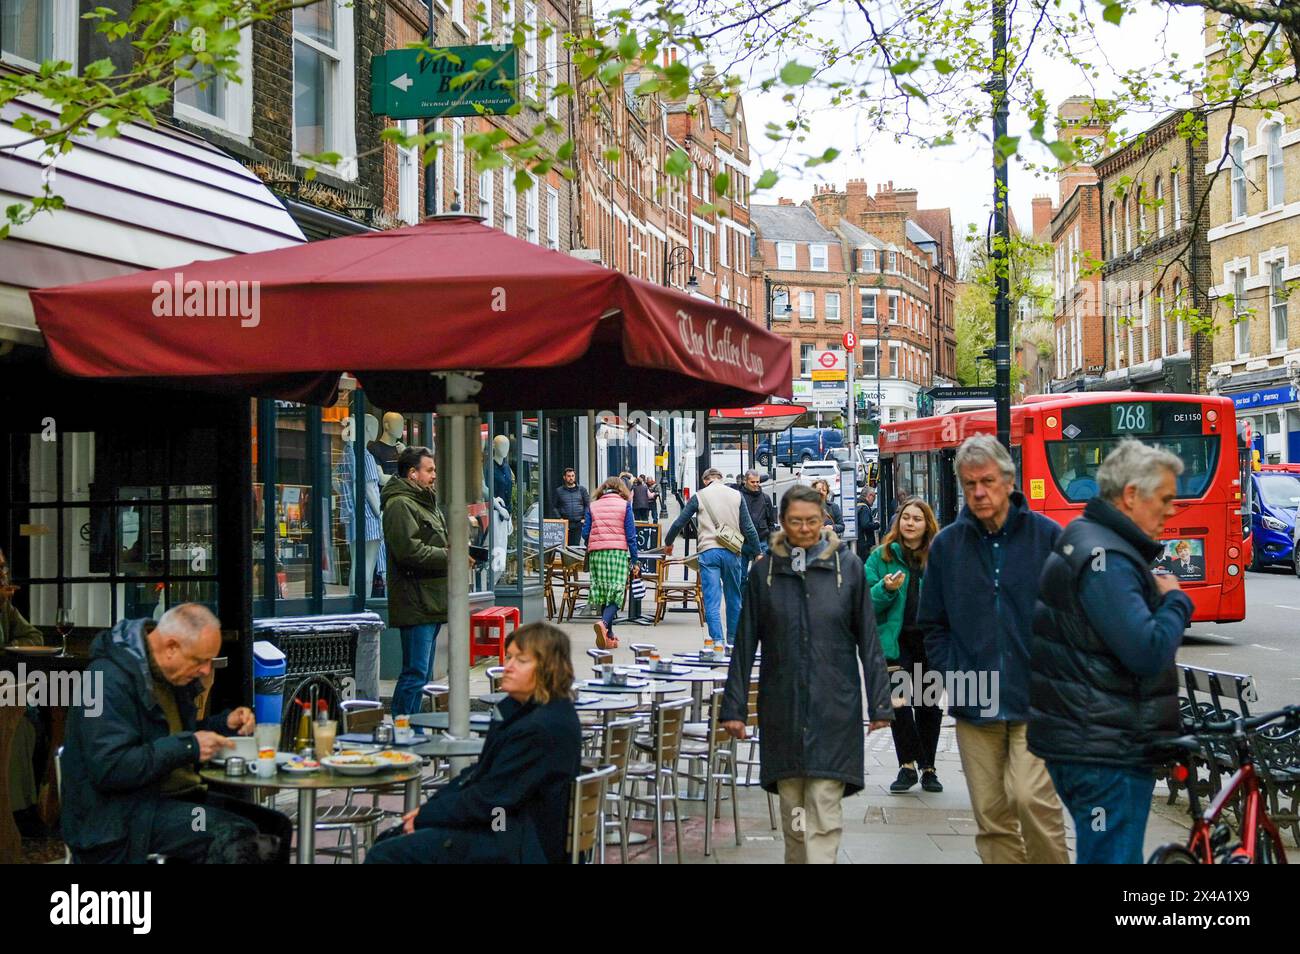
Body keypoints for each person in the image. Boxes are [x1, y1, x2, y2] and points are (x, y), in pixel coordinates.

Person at [1030, 441, 1194, 864]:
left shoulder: (1085, 536)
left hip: (1088, 741)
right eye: (1165, 499)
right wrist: (1176, 601)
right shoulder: (1108, 560)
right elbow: (1146, 650)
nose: (1172, 510)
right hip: (1106, 751)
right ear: (1131, 496)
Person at [721, 485, 893, 863]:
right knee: (796, 823)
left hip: (834, 713)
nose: (804, 528)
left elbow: (869, 638)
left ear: (824, 521)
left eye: (812, 521)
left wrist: (880, 703)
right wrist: (733, 708)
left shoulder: (847, 568)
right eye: (796, 521)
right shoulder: (764, 572)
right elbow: (745, 643)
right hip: (783, 713)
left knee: (822, 816)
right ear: (782, 521)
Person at [918, 434, 1069, 865]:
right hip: (974, 697)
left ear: (1008, 480)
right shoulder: (947, 546)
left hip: (1037, 698)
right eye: (969, 485)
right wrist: (953, 674)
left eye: (986, 481)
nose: (979, 493)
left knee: (1031, 801)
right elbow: (933, 624)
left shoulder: (1047, 538)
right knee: (991, 816)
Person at [60, 604, 292, 863]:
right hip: (120, 819)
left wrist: (224, 725)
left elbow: (177, 738)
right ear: (171, 647)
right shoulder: (103, 680)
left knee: (274, 825)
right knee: (238, 836)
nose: (206, 670)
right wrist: (190, 746)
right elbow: (111, 768)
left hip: (169, 801)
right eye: (200, 660)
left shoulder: (168, 677)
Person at [366, 623, 582, 864]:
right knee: (394, 840)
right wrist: (429, 811)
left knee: (385, 853)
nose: (508, 667)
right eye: (508, 657)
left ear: (547, 669)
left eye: (521, 661)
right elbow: (482, 777)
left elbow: (492, 797)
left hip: (516, 840)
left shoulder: (539, 726)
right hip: (507, 825)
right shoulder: (527, 712)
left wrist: (427, 816)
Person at [865, 497, 945, 794]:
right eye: (906, 517)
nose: (910, 523)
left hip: (929, 643)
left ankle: (929, 769)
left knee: (928, 705)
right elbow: (866, 602)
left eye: (917, 518)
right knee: (899, 705)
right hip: (895, 644)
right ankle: (908, 766)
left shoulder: (938, 557)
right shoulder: (880, 557)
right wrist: (885, 588)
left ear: (927, 525)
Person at [659, 467, 760, 649]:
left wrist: (668, 543)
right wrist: (758, 551)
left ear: (705, 480)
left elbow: (679, 522)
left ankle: (718, 641)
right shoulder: (737, 496)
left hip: (709, 551)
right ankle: (732, 641)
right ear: (720, 478)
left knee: (712, 599)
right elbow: (749, 528)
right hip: (732, 552)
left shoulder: (700, 496)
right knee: (733, 598)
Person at [382, 446, 448, 719]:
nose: (434, 475)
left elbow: (432, 542)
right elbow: (409, 551)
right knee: (415, 673)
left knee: (421, 674)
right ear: (412, 473)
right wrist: (450, 556)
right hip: (415, 600)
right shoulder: (399, 504)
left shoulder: (424, 502)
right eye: (429, 470)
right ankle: (402, 731)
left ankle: (415, 729)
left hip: (431, 600)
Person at [1, 548, 44, 836]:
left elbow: (34, 636)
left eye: (3, 568)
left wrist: (10, 647)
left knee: (29, 726)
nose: (2, 575)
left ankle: (28, 807)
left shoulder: (4, 606)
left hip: (5, 689)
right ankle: (19, 813)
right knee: (14, 732)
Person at [582, 477, 638, 649]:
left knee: (605, 591)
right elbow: (631, 535)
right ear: (621, 489)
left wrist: (594, 543)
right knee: (617, 592)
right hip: (617, 553)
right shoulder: (625, 505)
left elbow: (585, 533)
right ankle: (604, 624)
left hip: (597, 554)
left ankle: (609, 635)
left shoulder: (593, 505)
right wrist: (635, 560)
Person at [735, 469, 777, 552]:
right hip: (743, 542)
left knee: (762, 565)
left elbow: (771, 522)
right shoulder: (738, 496)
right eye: (752, 482)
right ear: (745, 481)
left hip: (762, 541)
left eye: (757, 482)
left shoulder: (765, 498)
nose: (756, 484)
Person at [551, 467, 590, 547]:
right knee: (564, 546)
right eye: (568, 476)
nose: (571, 478)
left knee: (575, 547)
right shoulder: (559, 491)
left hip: (578, 523)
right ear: (564, 477)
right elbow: (554, 507)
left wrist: (585, 518)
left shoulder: (582, 490)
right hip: (565, 523)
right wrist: (560, 519)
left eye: (572, 476)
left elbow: (587, 505)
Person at [855, 486, 880, 560]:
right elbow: (865, 524)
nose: (874, 501)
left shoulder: (857, 504)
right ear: (870, 496)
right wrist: (876, 525)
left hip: (857, 542)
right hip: (864, 543)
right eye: (874, 498)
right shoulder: (864, 508)